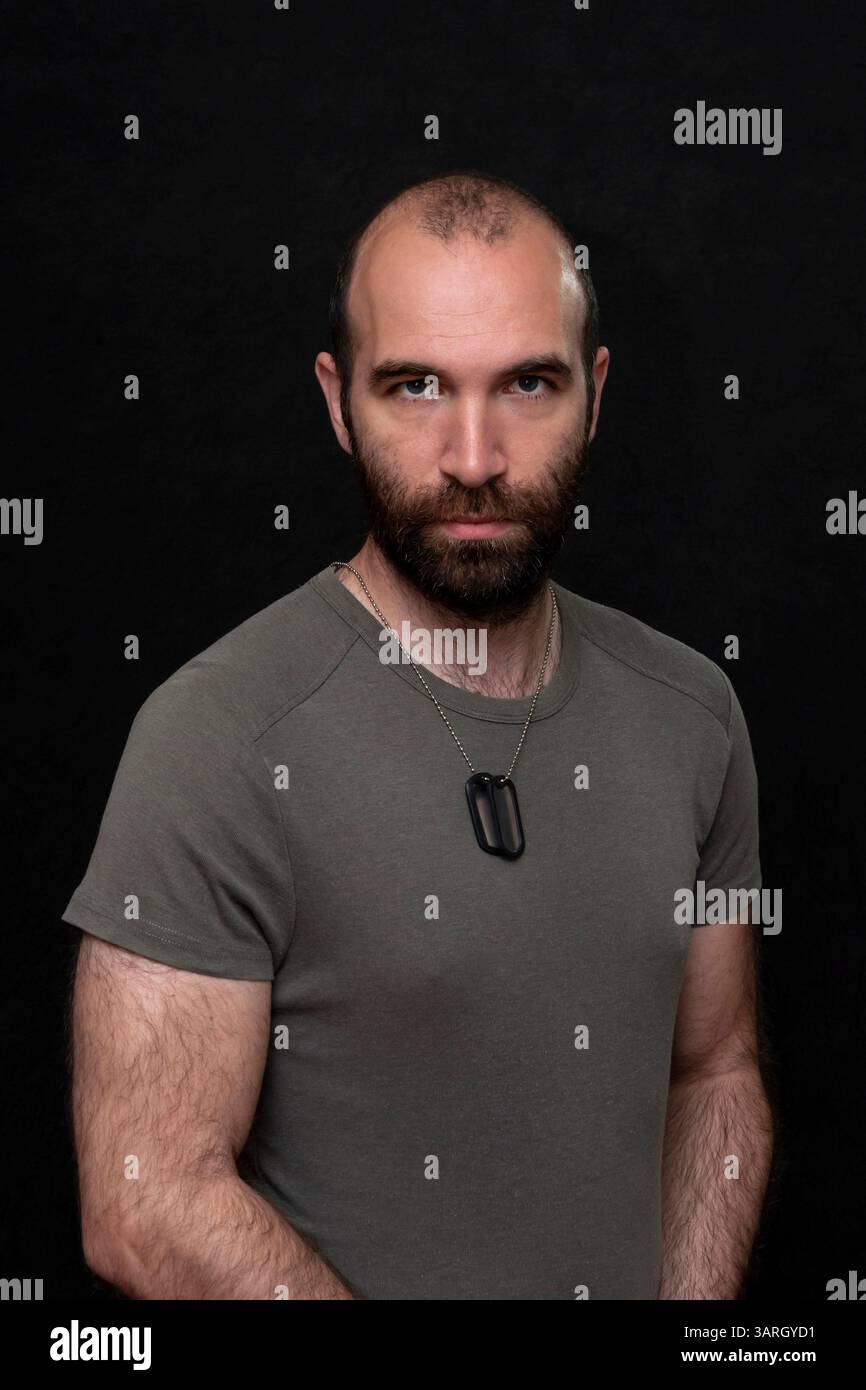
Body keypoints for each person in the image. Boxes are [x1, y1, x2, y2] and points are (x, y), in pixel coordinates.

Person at [63, 170, 771, 1300]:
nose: (474, 455)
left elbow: (714, 1068)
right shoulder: (217, 737)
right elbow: (144, 1198)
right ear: (338, 402)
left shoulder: (693, 712)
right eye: (417, 386)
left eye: (527, 384)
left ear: (594, 392)